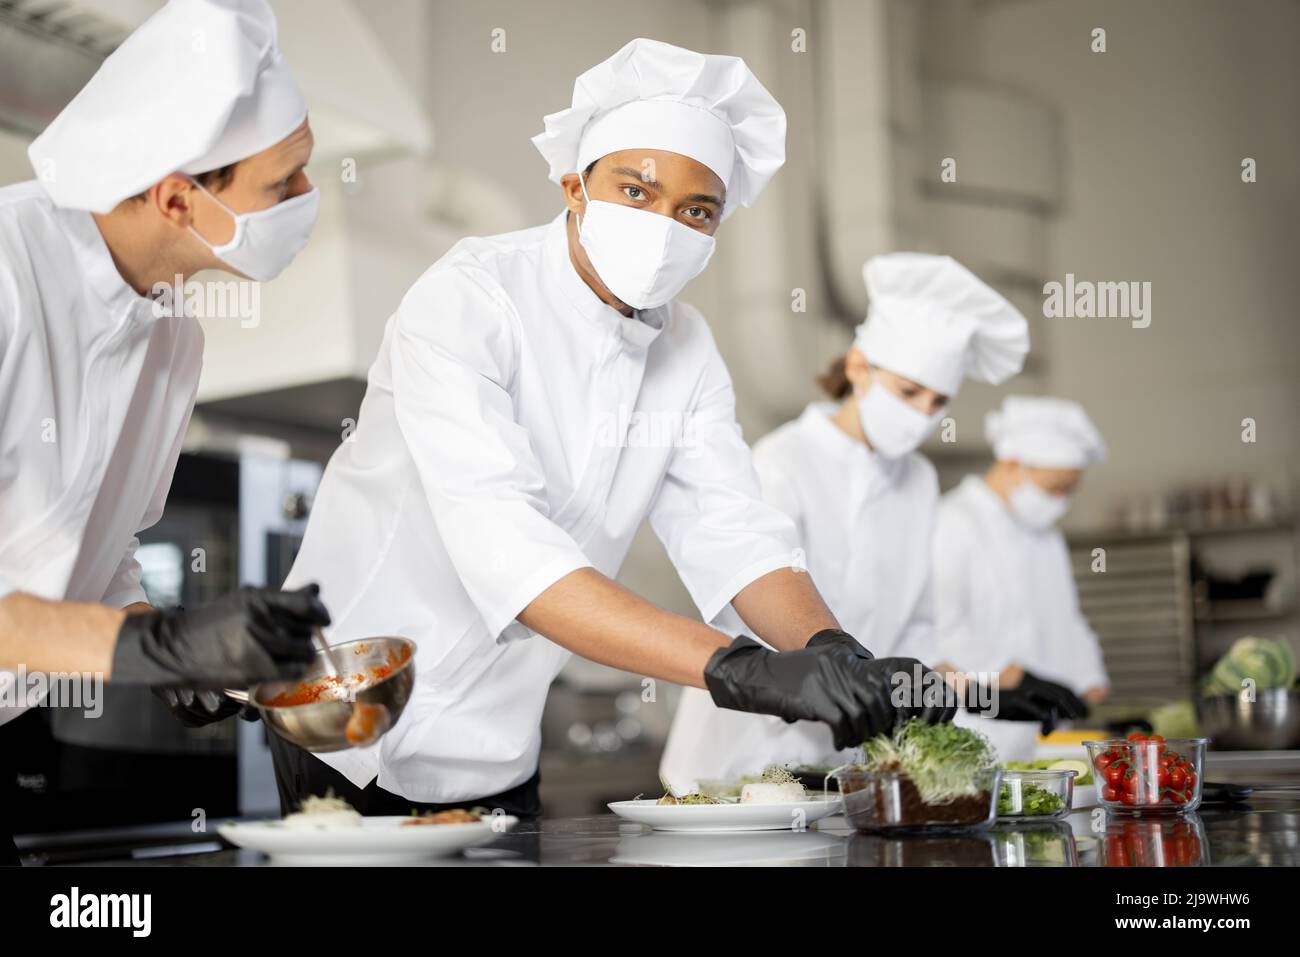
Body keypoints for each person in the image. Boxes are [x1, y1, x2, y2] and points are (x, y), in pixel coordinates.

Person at [259, 39, 953, 819]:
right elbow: (512, 555)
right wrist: (743, 669)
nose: (665, 225)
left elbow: (734, 533)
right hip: (350, 719)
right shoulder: (471, 298)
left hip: (495, 744)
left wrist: (832, 651)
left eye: (697, 210)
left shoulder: (686, 348)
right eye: (636, 190)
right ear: (574, 186)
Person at [0, 0, 331, 863]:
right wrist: (158, 646)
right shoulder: (4, 274)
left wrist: (180, 648)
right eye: (283, 181)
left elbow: (99, 550)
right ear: (179, 198)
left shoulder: (174, 333)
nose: (308, 199)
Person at [660, 253, 1030, 789]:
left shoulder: (920, 480)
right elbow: (746, 609)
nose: (923, 415)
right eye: (908, 392)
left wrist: (959, 691)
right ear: (859, 367)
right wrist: (840, 674)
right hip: (742, 757)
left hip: (851, 761)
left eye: (938, 401)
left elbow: (917, 627)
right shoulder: (781, 461)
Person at [933, 395, 1109, 758]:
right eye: (1054, 487)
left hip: (1048, 739)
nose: (1060, 500)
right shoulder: (952, 522)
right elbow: (943, 628)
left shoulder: (1046, 536)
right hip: (978, 730)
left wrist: (1088, 679)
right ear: (1013, 464)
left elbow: (1066, 617)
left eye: (1068, 490)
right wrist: (1018, 678)